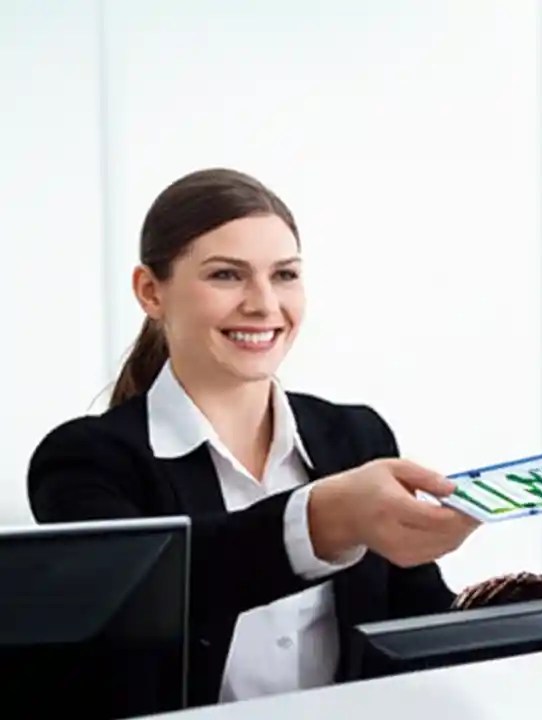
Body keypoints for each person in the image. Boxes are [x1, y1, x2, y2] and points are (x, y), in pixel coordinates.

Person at [27, 168, 484, 708]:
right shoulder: (86, 460)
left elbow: (412, 628)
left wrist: (503, 612)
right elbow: (160, 592)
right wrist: (326, 518)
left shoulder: (355, 437)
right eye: (226, 275)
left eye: (285, 275)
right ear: (151, 292)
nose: (264, 304)